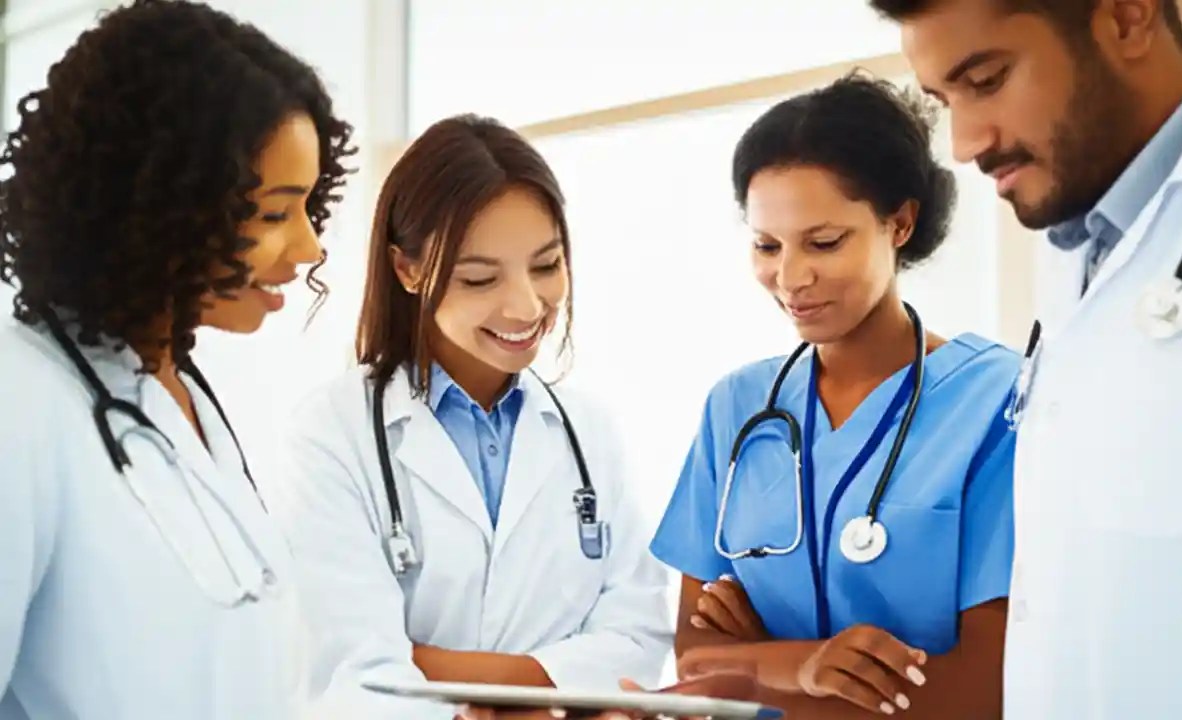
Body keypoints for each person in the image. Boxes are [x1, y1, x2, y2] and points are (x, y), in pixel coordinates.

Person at [868, 0, 1182, 717]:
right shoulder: (1078, 248)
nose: (964, 143)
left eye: (988, 79)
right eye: (944, 101)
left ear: (1125, 16)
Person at [0, 1, 355, 718]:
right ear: (158, 203)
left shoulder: (177, 389)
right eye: (273, 213)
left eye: (309, 208)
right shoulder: (21, 402)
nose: (311, 248)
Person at [647, 71, 1018, 719]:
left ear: (899, 222)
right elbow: (694, 659)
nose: (790, 278)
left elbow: (981, 690)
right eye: (767, 246)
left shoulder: (996, 403)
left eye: (823, 243)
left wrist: (760, 667)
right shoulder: (738, 407)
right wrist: (803, 666)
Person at [275, 114, 670, 719]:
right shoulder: (331, 433)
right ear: (407, 270)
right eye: (480, 278)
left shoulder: (588, 430)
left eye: (546, 266)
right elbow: (353, 667)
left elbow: (639, 640)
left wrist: (431, 663)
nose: (526, 305)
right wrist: (555, 686)